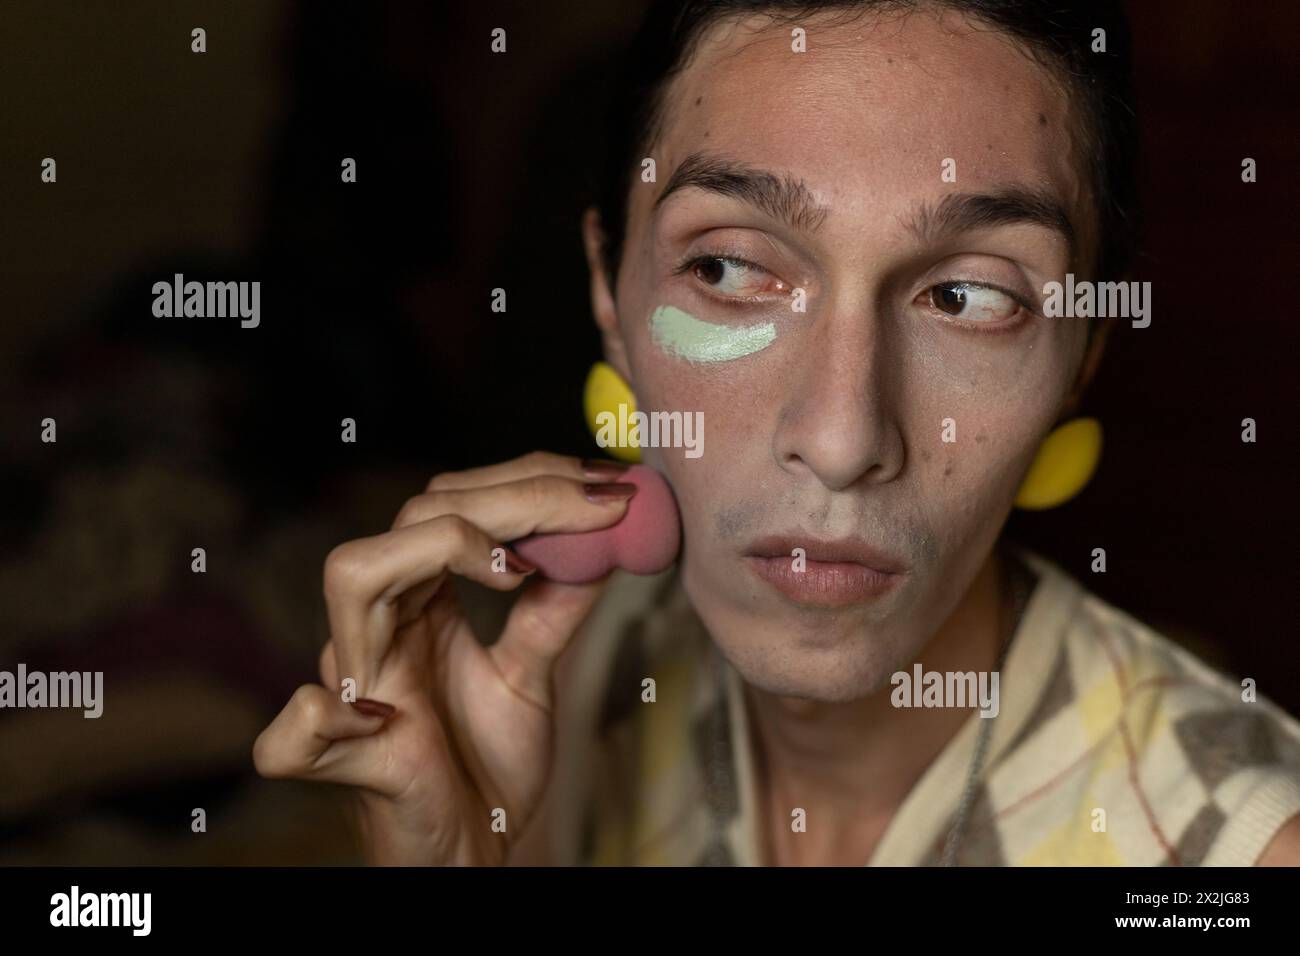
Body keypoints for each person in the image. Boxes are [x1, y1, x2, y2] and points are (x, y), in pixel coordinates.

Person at [252, 0, 1300, 866]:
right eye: (725, 268)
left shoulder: (1233, 844)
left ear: (1085, 353)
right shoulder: (576, 663)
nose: (841, 439)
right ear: (606, 292)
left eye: (970, 296)